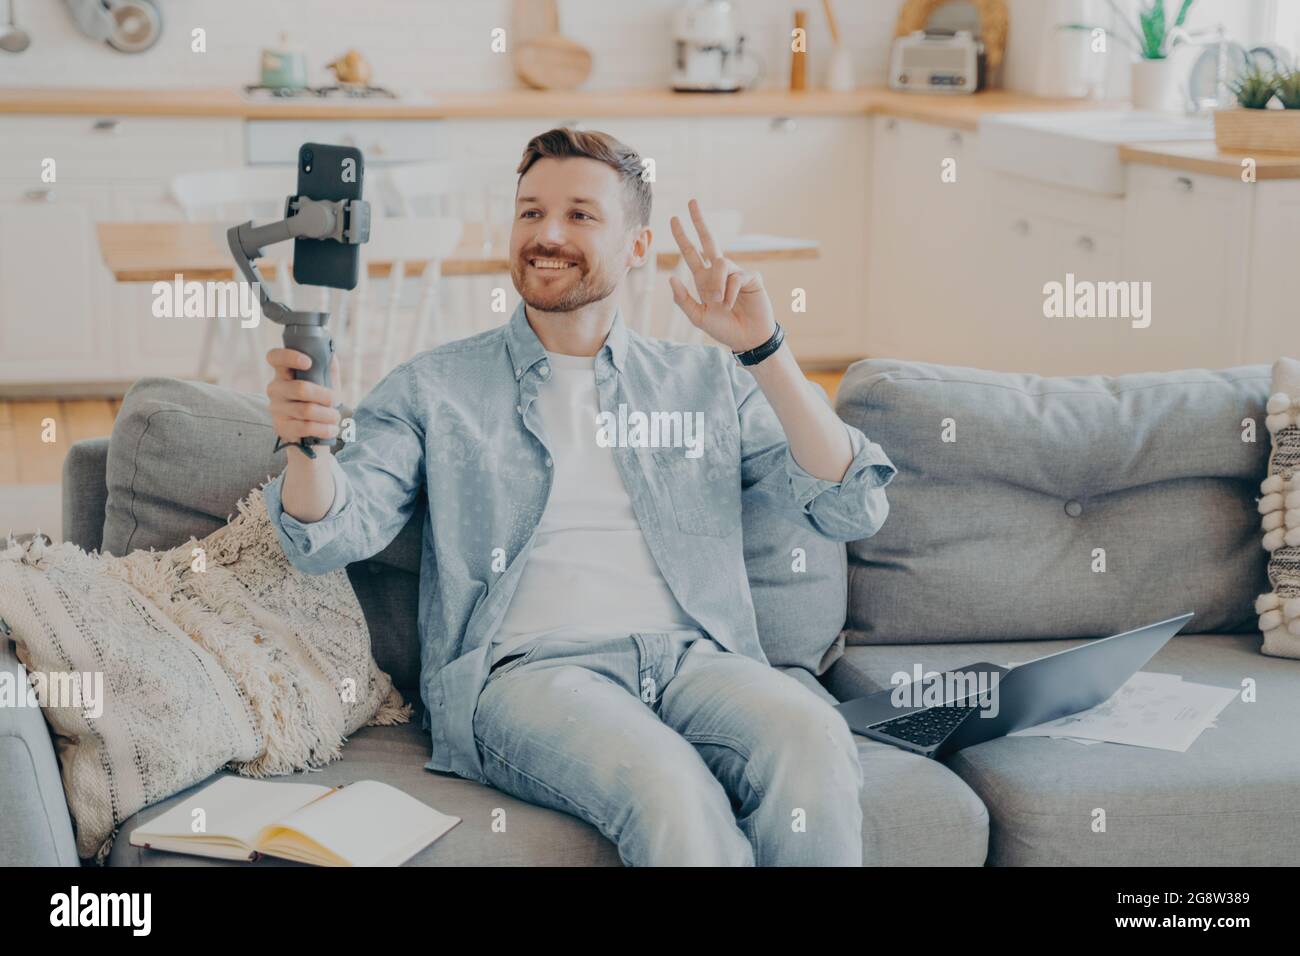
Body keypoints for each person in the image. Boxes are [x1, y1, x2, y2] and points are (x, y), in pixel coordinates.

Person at [263, 127, 897, 865]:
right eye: (530, 213)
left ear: (637, 247)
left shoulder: (704, 382)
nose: (547, 235)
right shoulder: (434, 386)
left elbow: (852, 506)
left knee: (813, 738)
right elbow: (331, 535)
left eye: (581, 215)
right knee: (669, 784)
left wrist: (764, 351)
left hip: (697, 663)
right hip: (530, 675)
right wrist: (306, 447)